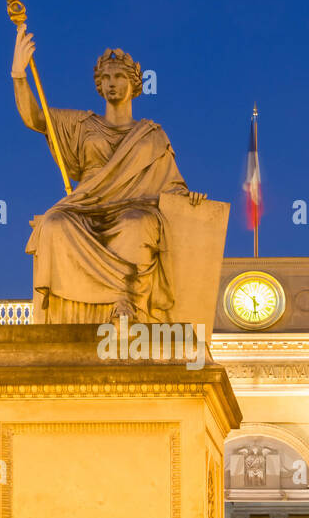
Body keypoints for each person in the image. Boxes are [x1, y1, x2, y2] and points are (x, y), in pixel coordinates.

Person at [11, 27, 207, 323]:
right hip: (86, 206)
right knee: (54, 224)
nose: (112, 83)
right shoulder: (81, 124)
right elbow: (35, 118)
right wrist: (19, 74)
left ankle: (126, 301)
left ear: (134, 83)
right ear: (99, 86)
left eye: (119, 77)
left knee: (136, 224)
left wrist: (189, 199)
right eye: (105, 78)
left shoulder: (151, 135)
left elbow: (171, 186)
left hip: (135, 207)